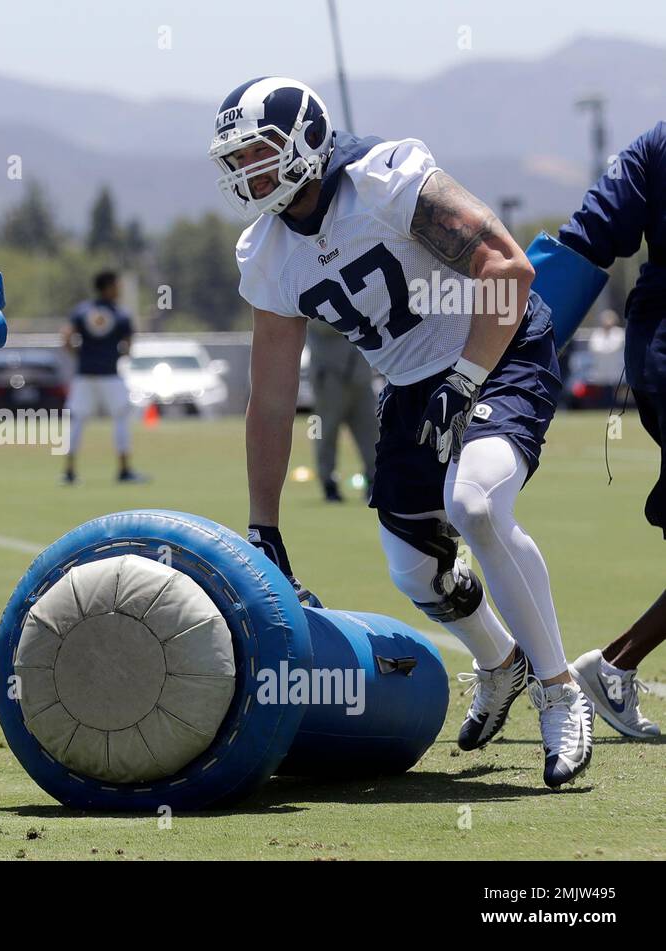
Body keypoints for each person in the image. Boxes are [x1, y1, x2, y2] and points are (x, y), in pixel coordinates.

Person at [213, 76, 591, 788]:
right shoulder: (266, 249)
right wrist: (264, 524)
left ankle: (560, 689)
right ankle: (499, 662)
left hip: (497, 346)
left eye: (259, 154)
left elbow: (507, 268)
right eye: (236, 162)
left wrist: (467, 380)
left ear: (305, 139)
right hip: (414, 383)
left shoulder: (385, 180)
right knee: (411, 566)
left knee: (474, 501)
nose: (248, 174)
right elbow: (268, 398)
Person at [558, 121, 666, 738]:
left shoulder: (654, 142)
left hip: (651, 351)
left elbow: (592, 234)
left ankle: (615, 668)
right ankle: (615, 667)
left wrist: (526, 331)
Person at [62, 270, 144, 484]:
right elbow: (128, 346)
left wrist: (81, 356)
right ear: (108, 287)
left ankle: (69, 471)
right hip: (110, 375)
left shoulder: (82, 311)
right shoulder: (121, 313)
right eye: (116, 285)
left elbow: (67, 338)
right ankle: (124, 470)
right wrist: (115, 354)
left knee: (77, 421)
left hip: (84, 374)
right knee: (121, 420)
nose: (119, 289)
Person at [306, 320, 376, 502]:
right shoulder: (314, 295)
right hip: (330, 377)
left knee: (372, 433)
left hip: (360, 377)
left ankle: (374, 481)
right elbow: (321, 323)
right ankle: (328, 483)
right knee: (325, 433)